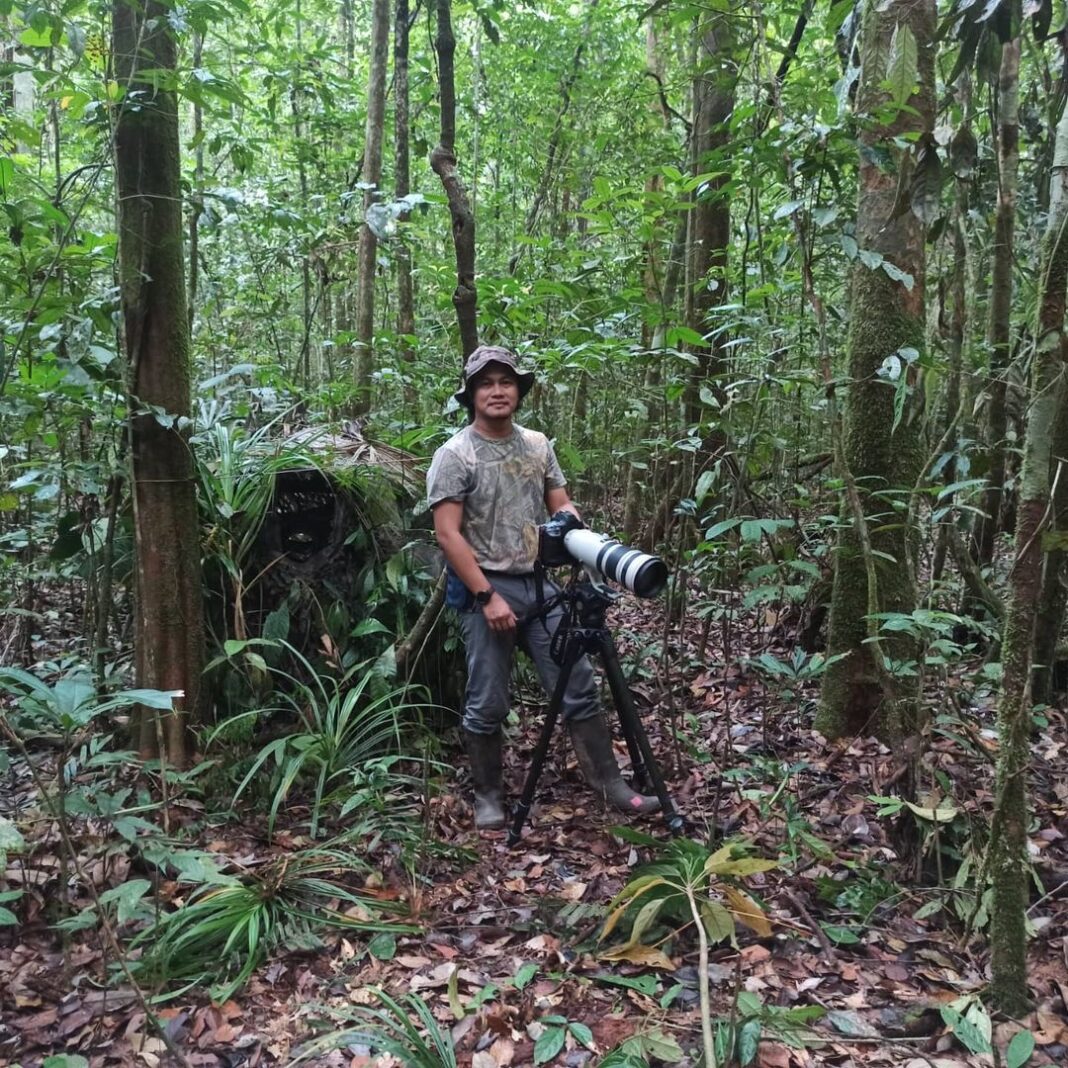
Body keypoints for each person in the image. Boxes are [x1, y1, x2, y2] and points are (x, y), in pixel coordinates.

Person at [426, 344, 659, 830]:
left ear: (519, 390)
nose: (497, 391)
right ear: (471, 394)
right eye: (486, 384)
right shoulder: (455, 454)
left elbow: (560, 503)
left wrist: (570, 523)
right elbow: (448, 534)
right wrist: (487, 597)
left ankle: (609, 783)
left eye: (506, 382)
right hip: (485, 587)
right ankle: (488, 796)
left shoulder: (537, 445)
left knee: (578, 685)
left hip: (539, 584)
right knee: (488, 699)